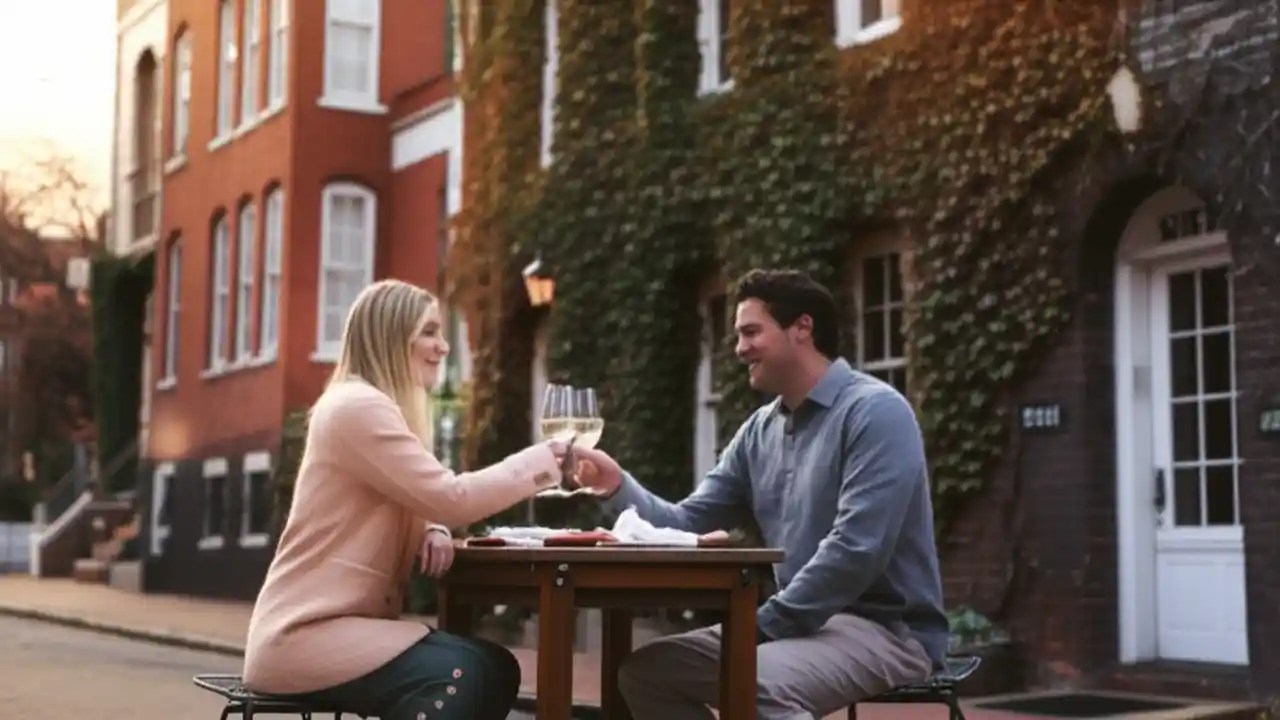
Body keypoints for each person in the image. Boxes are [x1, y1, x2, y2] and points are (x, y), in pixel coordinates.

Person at [572, 269, 950, 719]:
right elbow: (686, 522)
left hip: (886, 631)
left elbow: (855, 551)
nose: (739, 349)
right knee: (647, 673)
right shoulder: (759, 430)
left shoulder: (876, 413)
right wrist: (615, 485)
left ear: (802, 328)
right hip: (795, 627)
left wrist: (761, 626)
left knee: (749, 684)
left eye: (751, 332)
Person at [242, 279, 573, 720]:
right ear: (390, 337)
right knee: (463, 674)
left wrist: (431, 526)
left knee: (496, 668)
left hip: (345, 630)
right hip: (304, 636)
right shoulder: (356, 408)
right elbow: (450, 497)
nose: (443, 347)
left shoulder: (371, 407)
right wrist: (545, 460)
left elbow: (413, 494)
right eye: (429, 332)